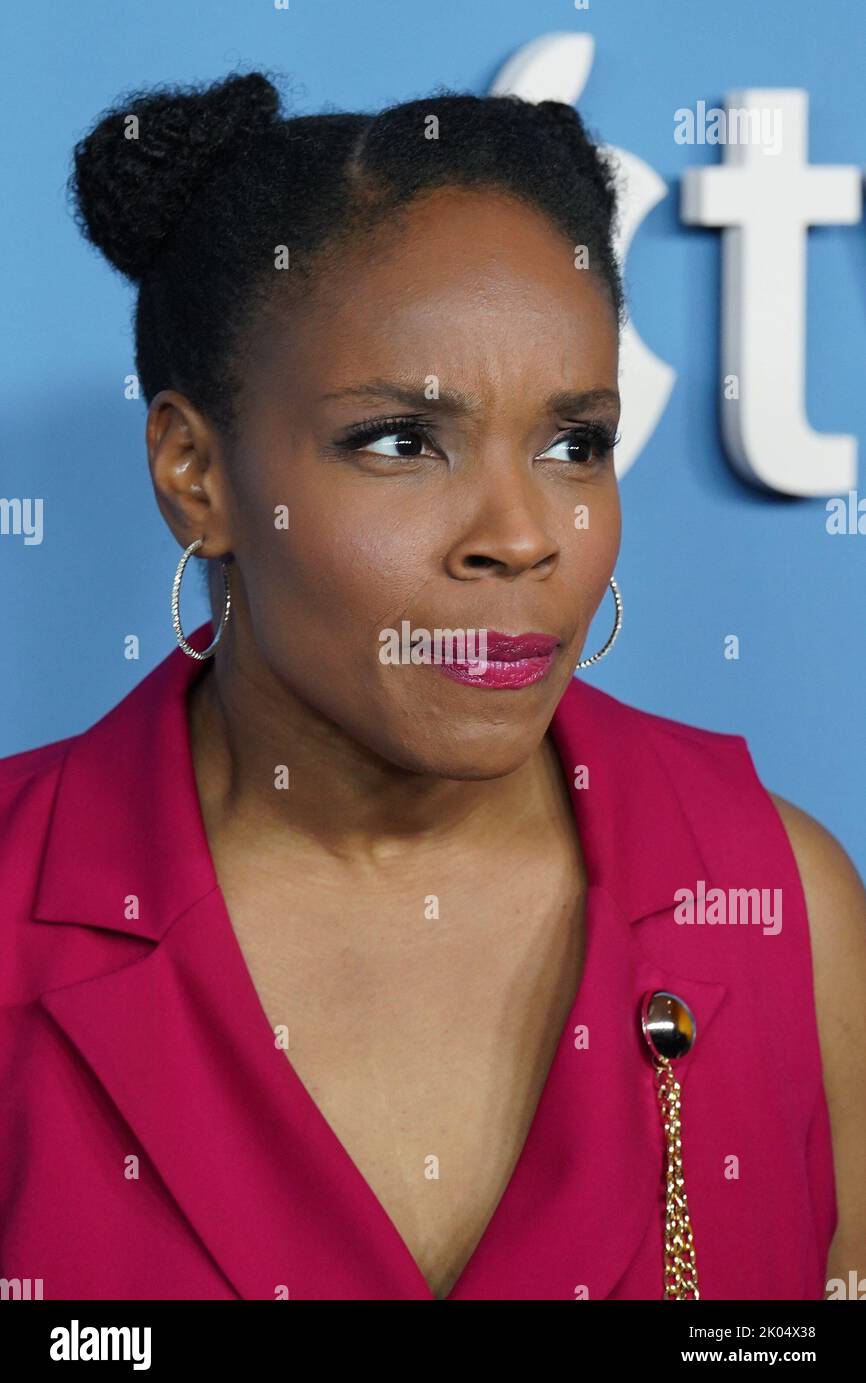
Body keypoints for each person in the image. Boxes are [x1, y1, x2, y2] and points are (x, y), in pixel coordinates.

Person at [1, 70, 864, 1302]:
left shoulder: (776, 902)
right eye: (402, 441)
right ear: (196, 472)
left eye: (574, 444)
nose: (519, 535)